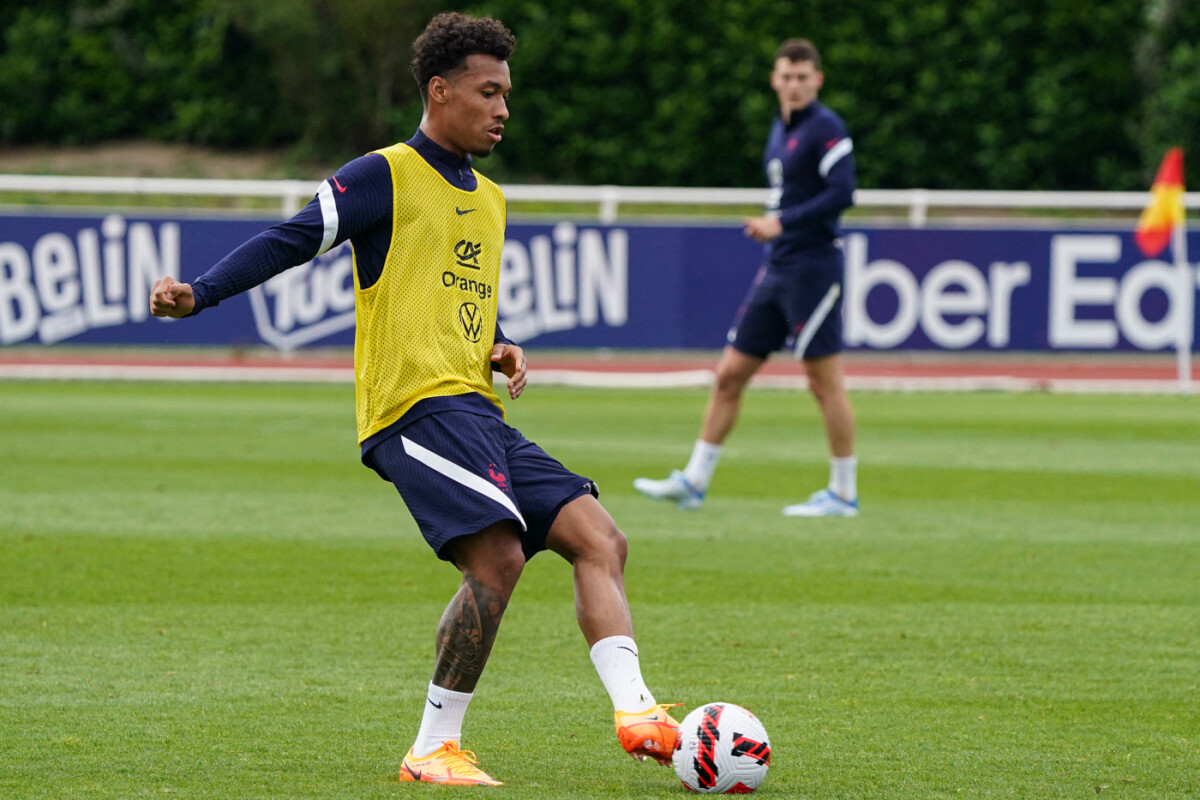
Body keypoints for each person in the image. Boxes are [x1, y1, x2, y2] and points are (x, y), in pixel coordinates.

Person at [149, 12, 678, 787]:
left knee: (600, 538)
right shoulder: (382, 174)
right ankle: (433, 747)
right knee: (497, 556)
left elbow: (462, 295)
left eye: (507, 93)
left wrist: (496, 343)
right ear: (441, 90)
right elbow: (290, 237)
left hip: (475, 408)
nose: (503, 109)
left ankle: (638, 714)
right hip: (413, 411)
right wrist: (200, 294)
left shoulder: (491, 200)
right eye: (487, 91)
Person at [633, 38, 859, 518]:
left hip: (814, 267)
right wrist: (775, 224)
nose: (794, 85)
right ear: (775, 80)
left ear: (817, 80)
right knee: (730, 375)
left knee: (824, 383)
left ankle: (843, 492)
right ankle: (694, 481)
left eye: (803, 77)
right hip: (779, 267)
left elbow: (843, 193)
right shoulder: (780, 130)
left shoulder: (826, 128)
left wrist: (783, 222)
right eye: (787, 76)